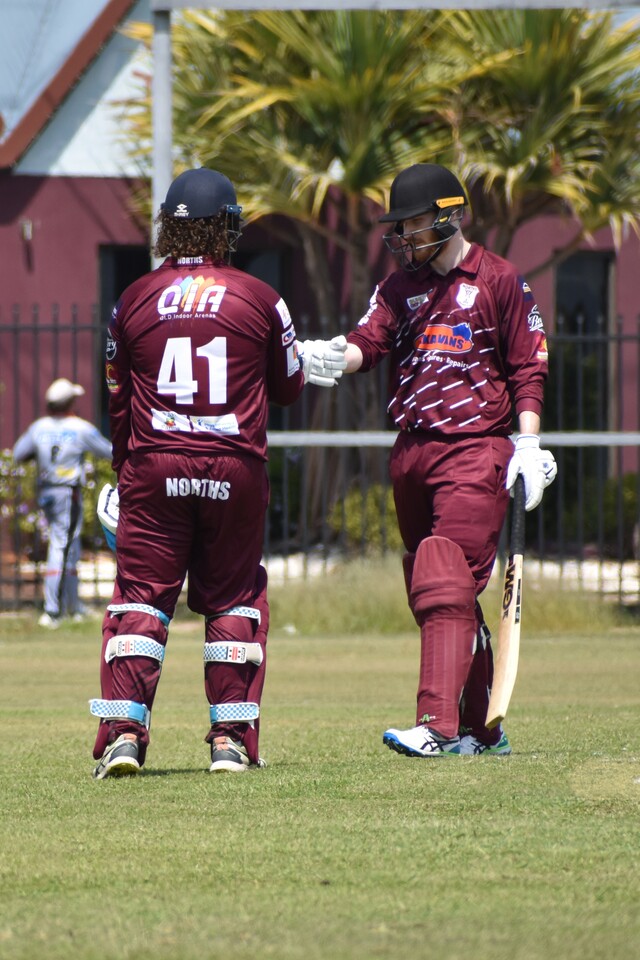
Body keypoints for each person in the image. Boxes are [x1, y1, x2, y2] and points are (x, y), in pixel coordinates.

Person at [90, 166, 345, 780]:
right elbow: (288, 389)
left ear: (168, 228)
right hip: (234, 467)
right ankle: (229, 742)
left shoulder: (133, 298)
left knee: (141, 599)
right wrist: (292, 357)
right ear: (225, 227)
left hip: (154, 465)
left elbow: (119, 401)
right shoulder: (262, 297)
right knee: (233, 597)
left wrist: (125, 475)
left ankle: (124, 736)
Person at [307, 162, 557, 757]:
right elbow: (369, 343)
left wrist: (527, 443)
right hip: (413, 451)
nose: (402, 236)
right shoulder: (399, 287)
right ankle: (482, 732)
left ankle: (437, 727)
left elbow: (528, 368)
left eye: (413, 223)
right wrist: (335, 357)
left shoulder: (498, 279)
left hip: (476, 447)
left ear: (449, 216)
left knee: (446, 574)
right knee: (440, 592)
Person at [12, 378, 112, 628]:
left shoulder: (39, 427)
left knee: (69, 545)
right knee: (60, 545)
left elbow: (18, 454)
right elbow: (109, 451)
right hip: (68, 493)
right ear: (70, 402)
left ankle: (73, 606)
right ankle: (53, 610)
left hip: (47, 490)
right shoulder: (81, 428)